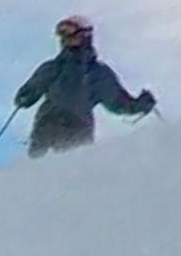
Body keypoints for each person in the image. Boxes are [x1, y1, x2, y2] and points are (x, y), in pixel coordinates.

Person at [16, 17, 156, 156]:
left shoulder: (97, 73)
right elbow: (30, 92)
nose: (66, 38)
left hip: (77, 127)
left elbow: (118, 103)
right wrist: (24, 97)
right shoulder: (52, 67)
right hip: (47, 125)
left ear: (85, 35)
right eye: (62, 34)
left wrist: (141, 104)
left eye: (70, 32)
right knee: (42, 162)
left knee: (68, 164)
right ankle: (34, 169)